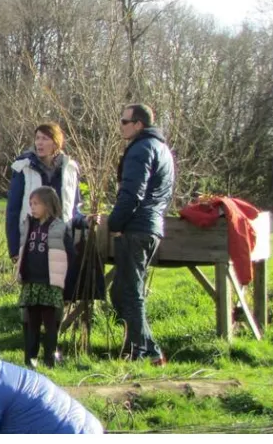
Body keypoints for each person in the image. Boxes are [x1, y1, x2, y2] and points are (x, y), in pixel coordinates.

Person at [102, 103, 175, 365]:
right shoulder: (162, 149)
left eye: (124, 121)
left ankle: (144, 352)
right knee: (122, 291)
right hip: (152, 226)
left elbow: (132, 193)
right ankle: (146, 348)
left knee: (130, 292)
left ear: (138, 125)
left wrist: (114, 223)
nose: (120, 125)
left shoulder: (140, 150)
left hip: (136, 227)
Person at [6, 122, 94, 302]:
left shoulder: (70, 168)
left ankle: (55, 326)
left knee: (59, 291)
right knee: (33, 291)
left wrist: (85, 220)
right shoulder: (23, 167)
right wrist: (14, 246)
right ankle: (32, 326)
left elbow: (74, 207)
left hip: (60, 239)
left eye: (45, 139)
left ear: (56, 142)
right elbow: (13, 209)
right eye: (37, 138)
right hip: (33, 238)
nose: (39, 143)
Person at [16, 188, 70, 369]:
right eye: (30, 204)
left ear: (48, 204)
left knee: (50, 323)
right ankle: (30, 358)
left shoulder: (59, 227)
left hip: (50, 283)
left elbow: (70, 252)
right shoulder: (28, 225)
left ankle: (50, 358)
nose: (32, 207)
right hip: (31, 282)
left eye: (36, 203)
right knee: (31, 323)